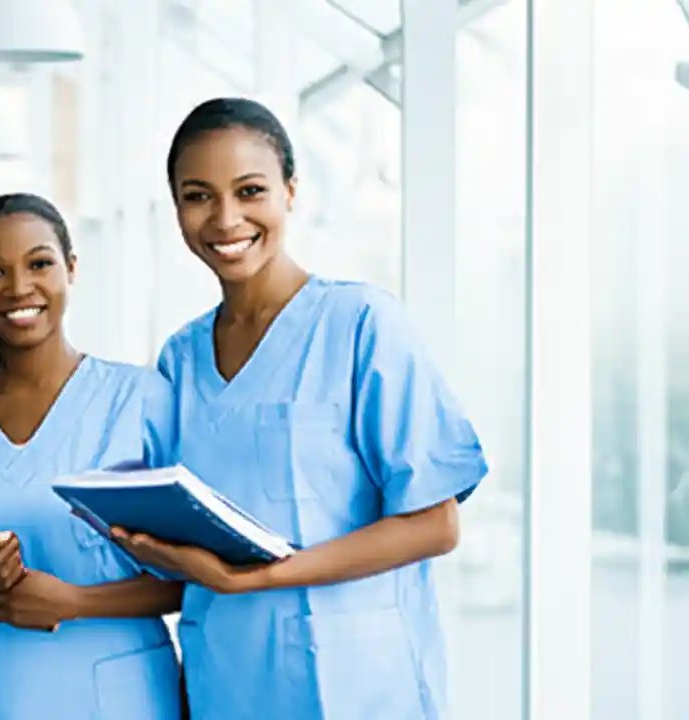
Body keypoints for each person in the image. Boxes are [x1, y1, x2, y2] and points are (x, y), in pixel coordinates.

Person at [114, 97, 489, 719]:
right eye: (198, 195)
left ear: (291, 191)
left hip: (359, 684)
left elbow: (436, 523)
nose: (226, 218)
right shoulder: (180, 359)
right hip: (228, 680)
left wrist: (258, 578)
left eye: (250, 190)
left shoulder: (361, 324)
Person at [0, 193, 185, 719]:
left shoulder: (144, 402)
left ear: (71, 269)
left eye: (39, 263)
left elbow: (198, 577)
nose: (18, 288)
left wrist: (77, 603)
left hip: (122, 697)